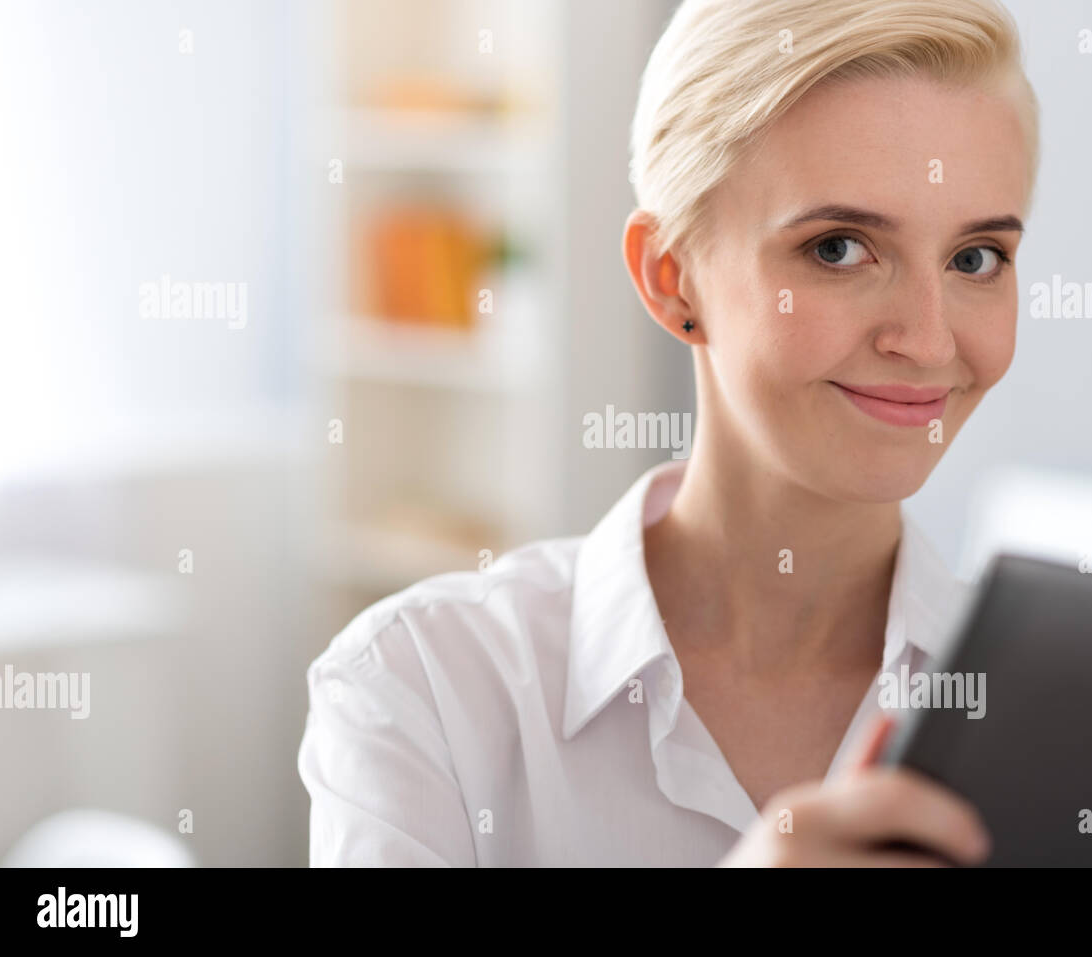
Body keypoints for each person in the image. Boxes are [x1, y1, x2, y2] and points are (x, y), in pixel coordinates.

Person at [298, 0, 1039, 866]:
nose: (928, 339)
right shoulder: (422, 685)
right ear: (671, 277)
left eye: (975, 258)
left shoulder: (1065, 716)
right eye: (839, 248)